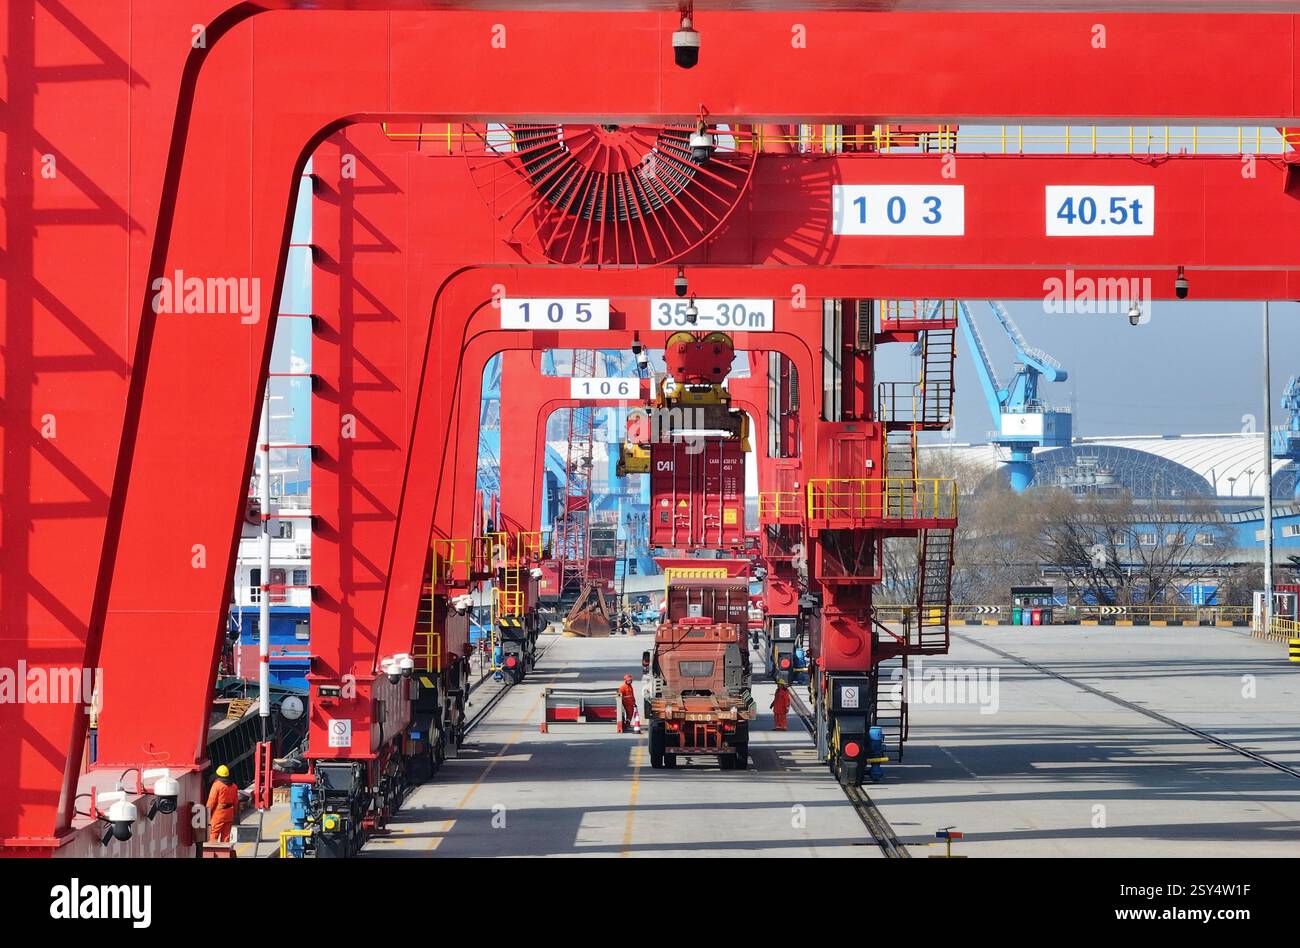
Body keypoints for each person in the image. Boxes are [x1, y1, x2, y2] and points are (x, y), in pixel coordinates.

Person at [206, 764, 240, 843]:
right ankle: (225, 854)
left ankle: (213, 853)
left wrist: (207, 813)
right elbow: (236, 802)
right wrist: (234, 814)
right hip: (229, 814)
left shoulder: (217, 785)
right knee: (226, 836)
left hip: (219, 814)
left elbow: (211, 800)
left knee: (213, 834)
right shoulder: (234, 786)